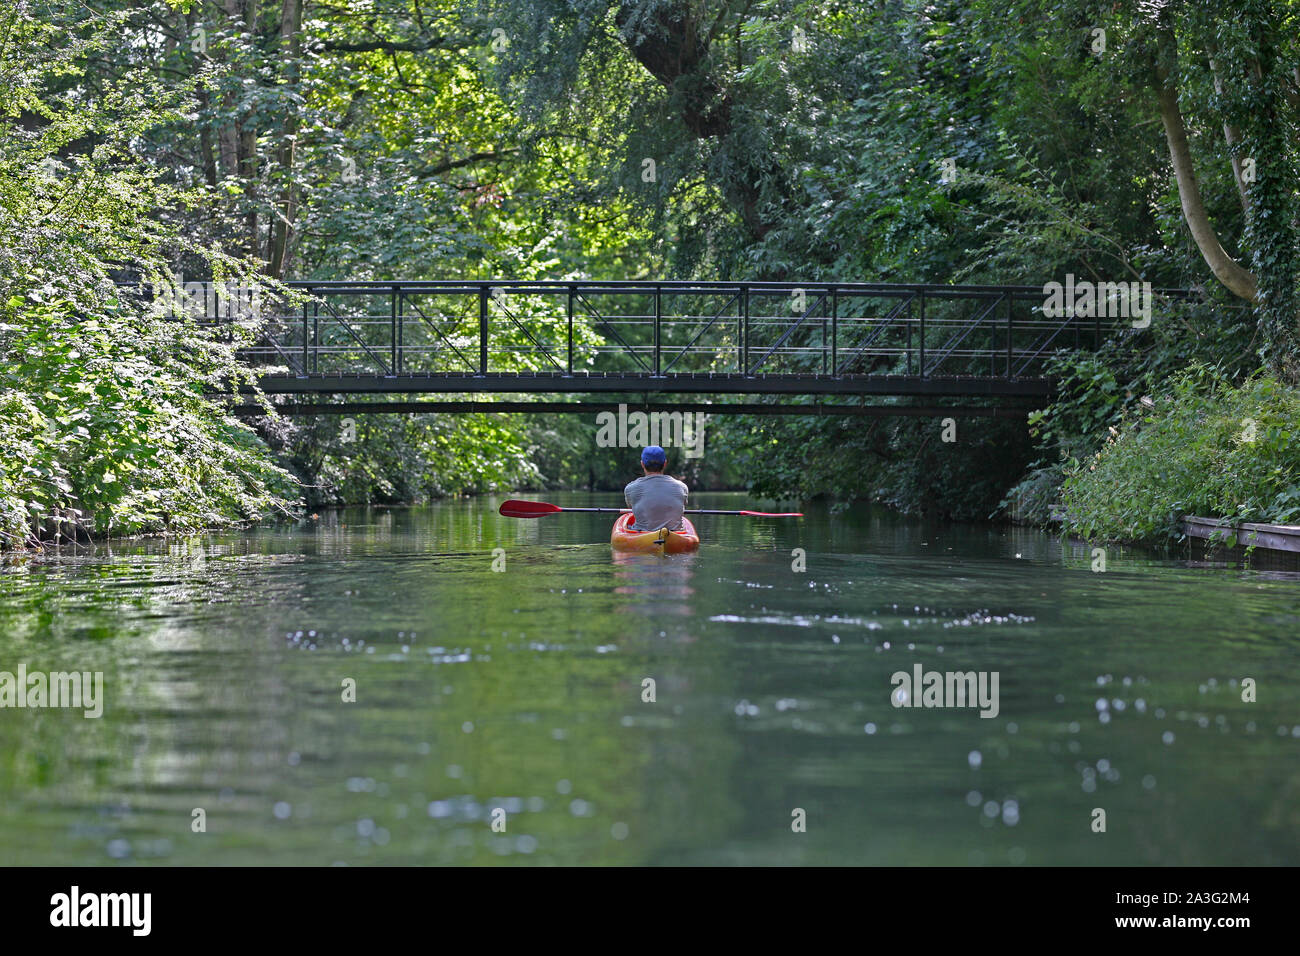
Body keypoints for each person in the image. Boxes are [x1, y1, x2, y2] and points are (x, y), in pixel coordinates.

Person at [624, 445, 689, 531]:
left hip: (642, 535)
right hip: (675, 536)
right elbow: (683, 506)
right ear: (665, 463)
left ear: (642, 464)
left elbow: (631, 508)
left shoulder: (630, 488)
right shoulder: (682, 487)